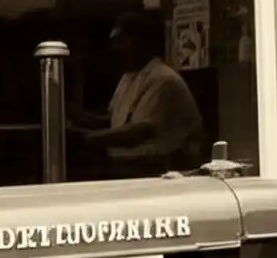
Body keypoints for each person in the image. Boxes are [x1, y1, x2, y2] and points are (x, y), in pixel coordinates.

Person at [80, 10, 204, 178]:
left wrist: (88, 139)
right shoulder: (128, 77)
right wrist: (74, 118)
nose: (114, 49)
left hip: (159, 173)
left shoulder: (164, 79)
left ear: (141, 42)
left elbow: (139, 132)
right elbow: (112, 120)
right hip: (129, 170)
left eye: (120, 41)